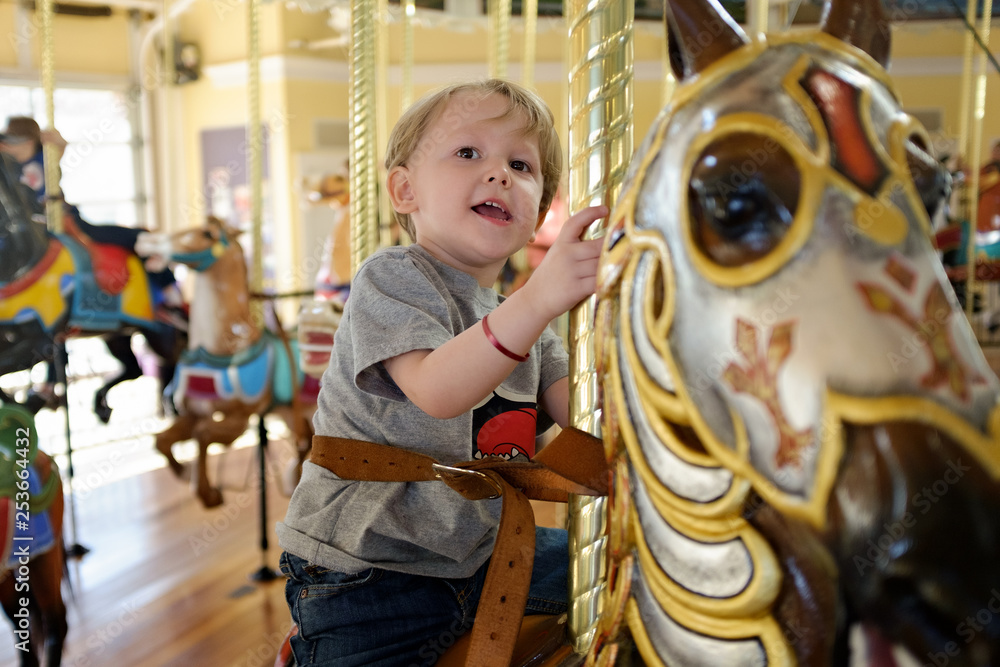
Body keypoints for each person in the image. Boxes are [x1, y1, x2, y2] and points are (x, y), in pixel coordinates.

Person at [277, 78, 607, 665]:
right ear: (405, 190)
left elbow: (587, 416)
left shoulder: (531, 325)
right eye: (468, 153)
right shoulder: (394, 278)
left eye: (521, 165)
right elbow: (437, 390)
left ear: (538, 218)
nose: (499, 173)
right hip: (370, 570)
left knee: (629, 571)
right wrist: (538, 298)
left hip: (484, 549)